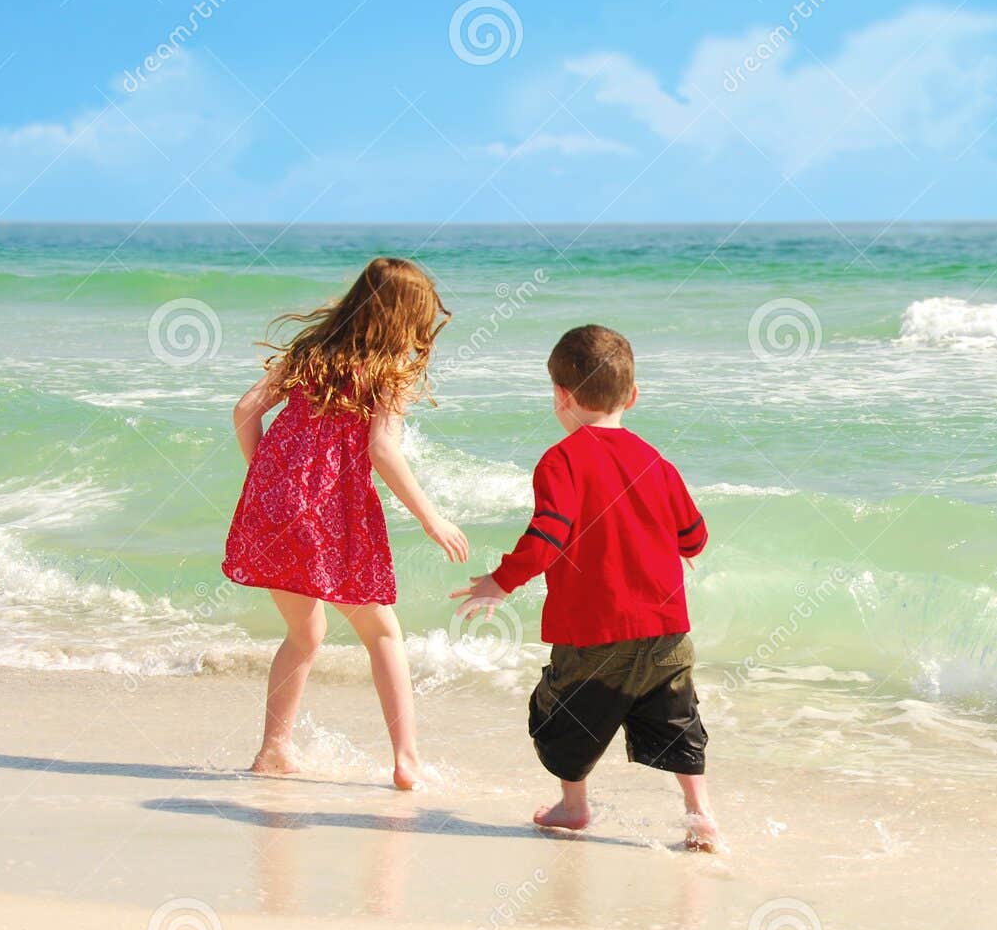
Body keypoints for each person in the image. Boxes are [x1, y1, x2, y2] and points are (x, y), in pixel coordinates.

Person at [452, 324, 720, 850]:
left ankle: (574, 806)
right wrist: (671, 547)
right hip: (667, 631)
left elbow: (547, 537)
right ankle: (700, 814)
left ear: (561, 396)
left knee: (559, 716)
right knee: (678, 720)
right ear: (633, 395)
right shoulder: (657, 463)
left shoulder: (562, 460)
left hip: (592, 633)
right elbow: (696, 537)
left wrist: (499, 583)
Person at [224, 256, 468, 787]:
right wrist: (432, 518)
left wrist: (267, 477)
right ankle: (406, 760)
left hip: (272, 506)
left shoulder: (310, 351)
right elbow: (383, 448)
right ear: (405, 319)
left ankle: (273, 750)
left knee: (304, 631)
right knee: (382, 633)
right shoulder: (390, 371)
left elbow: (245, 411)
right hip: (332, 513)